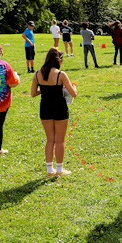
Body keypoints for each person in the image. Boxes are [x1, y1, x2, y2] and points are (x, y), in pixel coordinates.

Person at [31, 49, 78, 177]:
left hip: (45, 108)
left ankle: (49, 169)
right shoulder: (61, 74)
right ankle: (59, 169)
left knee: (50, 140)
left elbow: (33, 93)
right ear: (59, 60)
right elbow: (73, 94)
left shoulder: (37, 74)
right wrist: (74, 87)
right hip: (59, 108)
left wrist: (45, 88)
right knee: (60, 140)